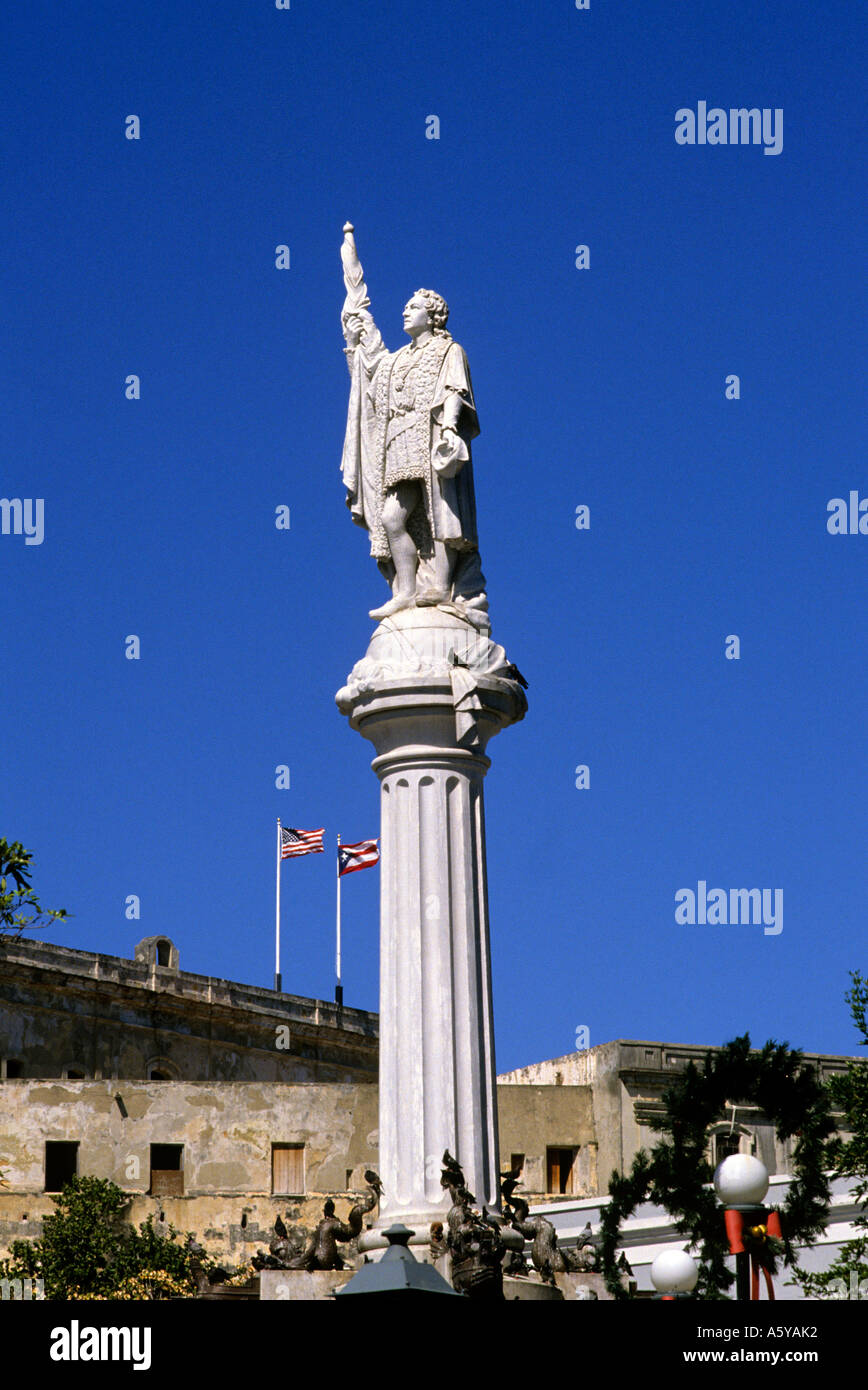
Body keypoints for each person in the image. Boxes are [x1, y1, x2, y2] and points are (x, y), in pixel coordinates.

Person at [341, 266, 488, 624]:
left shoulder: (449, 350)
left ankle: (439, 584)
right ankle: (405, 591)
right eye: (406, 307)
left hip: (433, 434)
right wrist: (357, 332)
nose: (405, 311)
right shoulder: (396, 360)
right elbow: (372, 369)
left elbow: (455, 389)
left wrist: (451, 429)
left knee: (440, 512)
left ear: (433, 317)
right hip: (399, 442)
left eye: (413, 307)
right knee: (392, 517)